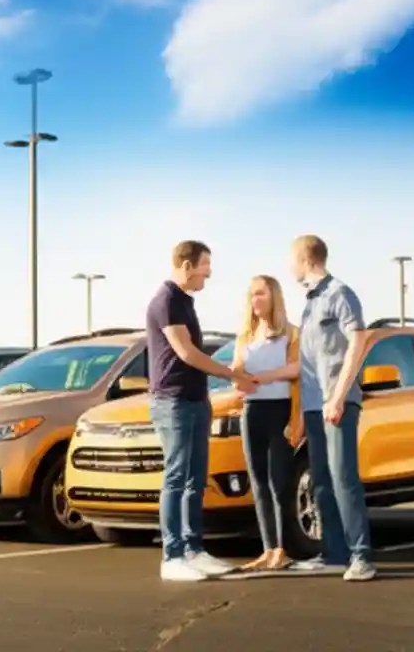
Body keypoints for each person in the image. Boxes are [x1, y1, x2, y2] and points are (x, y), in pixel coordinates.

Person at [146, 240, 257, 582]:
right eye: (205, 264)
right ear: (186, 264)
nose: (209, 271)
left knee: (196, 478)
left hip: (196, 399)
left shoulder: (185, 302)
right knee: (176, 477)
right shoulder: (166, 301)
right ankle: (173, 555)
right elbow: (186, 352)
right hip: (173, 401)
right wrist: (230, 374)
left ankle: (194, 550)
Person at [289, 235, 375, 582]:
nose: (289, 267)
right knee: (321, 481)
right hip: (312, 404)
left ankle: (361, 557)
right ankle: (334, 553)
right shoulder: (309, 303)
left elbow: (359, 339)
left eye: (291, 260)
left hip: (336, 401)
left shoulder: (339, 293)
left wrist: (338, 396)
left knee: (343, 478)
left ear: (305, 260)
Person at [231, 275, 300, 572]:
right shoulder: (245, 336)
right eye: (252, 295)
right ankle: (267, 548)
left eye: (261, 294)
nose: (255, 300)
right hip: (252, 411)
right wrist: (237, 380)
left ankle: (283, 549)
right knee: (257, 481)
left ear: (273, 297)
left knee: (279, 482)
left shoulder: (290, 333)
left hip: (280, 409)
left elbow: (297, 368)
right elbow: (237, 369)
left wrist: (265, 377)